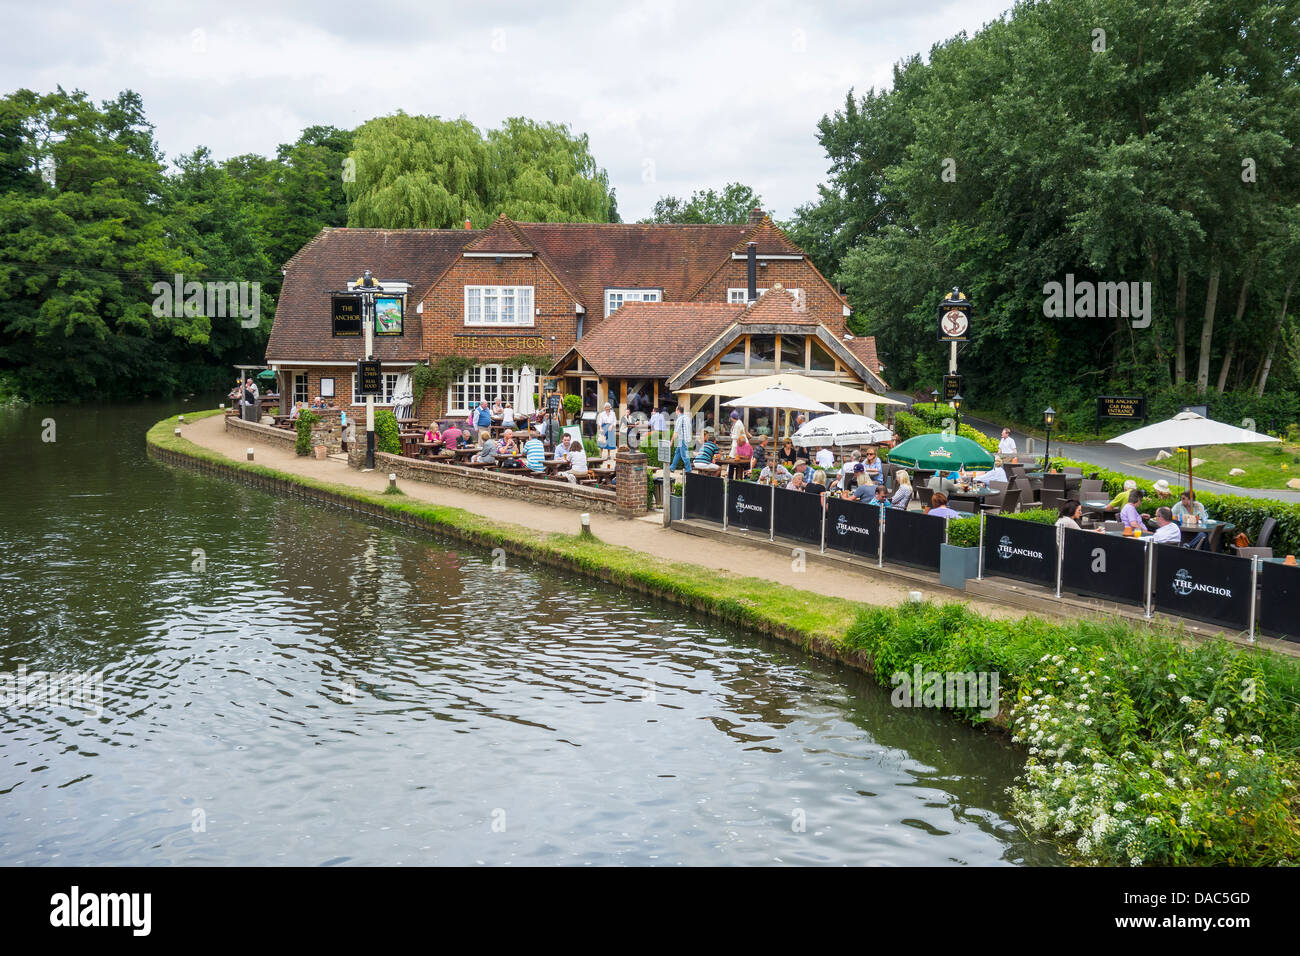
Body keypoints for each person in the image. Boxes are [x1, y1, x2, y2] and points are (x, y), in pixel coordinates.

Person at [669, 404, 693, 474]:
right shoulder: (687, 417)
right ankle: (672, 468)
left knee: (685, 455)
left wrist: (671, 441)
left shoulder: (680, 419)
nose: (675, 411)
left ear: (678, 410)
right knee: (677, 453)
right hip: (686, 438)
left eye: (676, 410)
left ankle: (688, 470)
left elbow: (676, 432)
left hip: (682, 439)